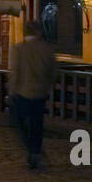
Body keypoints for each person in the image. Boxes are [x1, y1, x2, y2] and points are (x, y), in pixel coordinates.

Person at [7, 20, 57, 170]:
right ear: (38, 32)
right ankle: (35, 150)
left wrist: (11, 90)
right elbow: (52, 72)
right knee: (37, 124)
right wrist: (48, 87)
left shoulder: (18, 49)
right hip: (40, 92)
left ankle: (32, 150)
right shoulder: (47, 49)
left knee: (20, 123)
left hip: (22, 92)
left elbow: (15, 71)